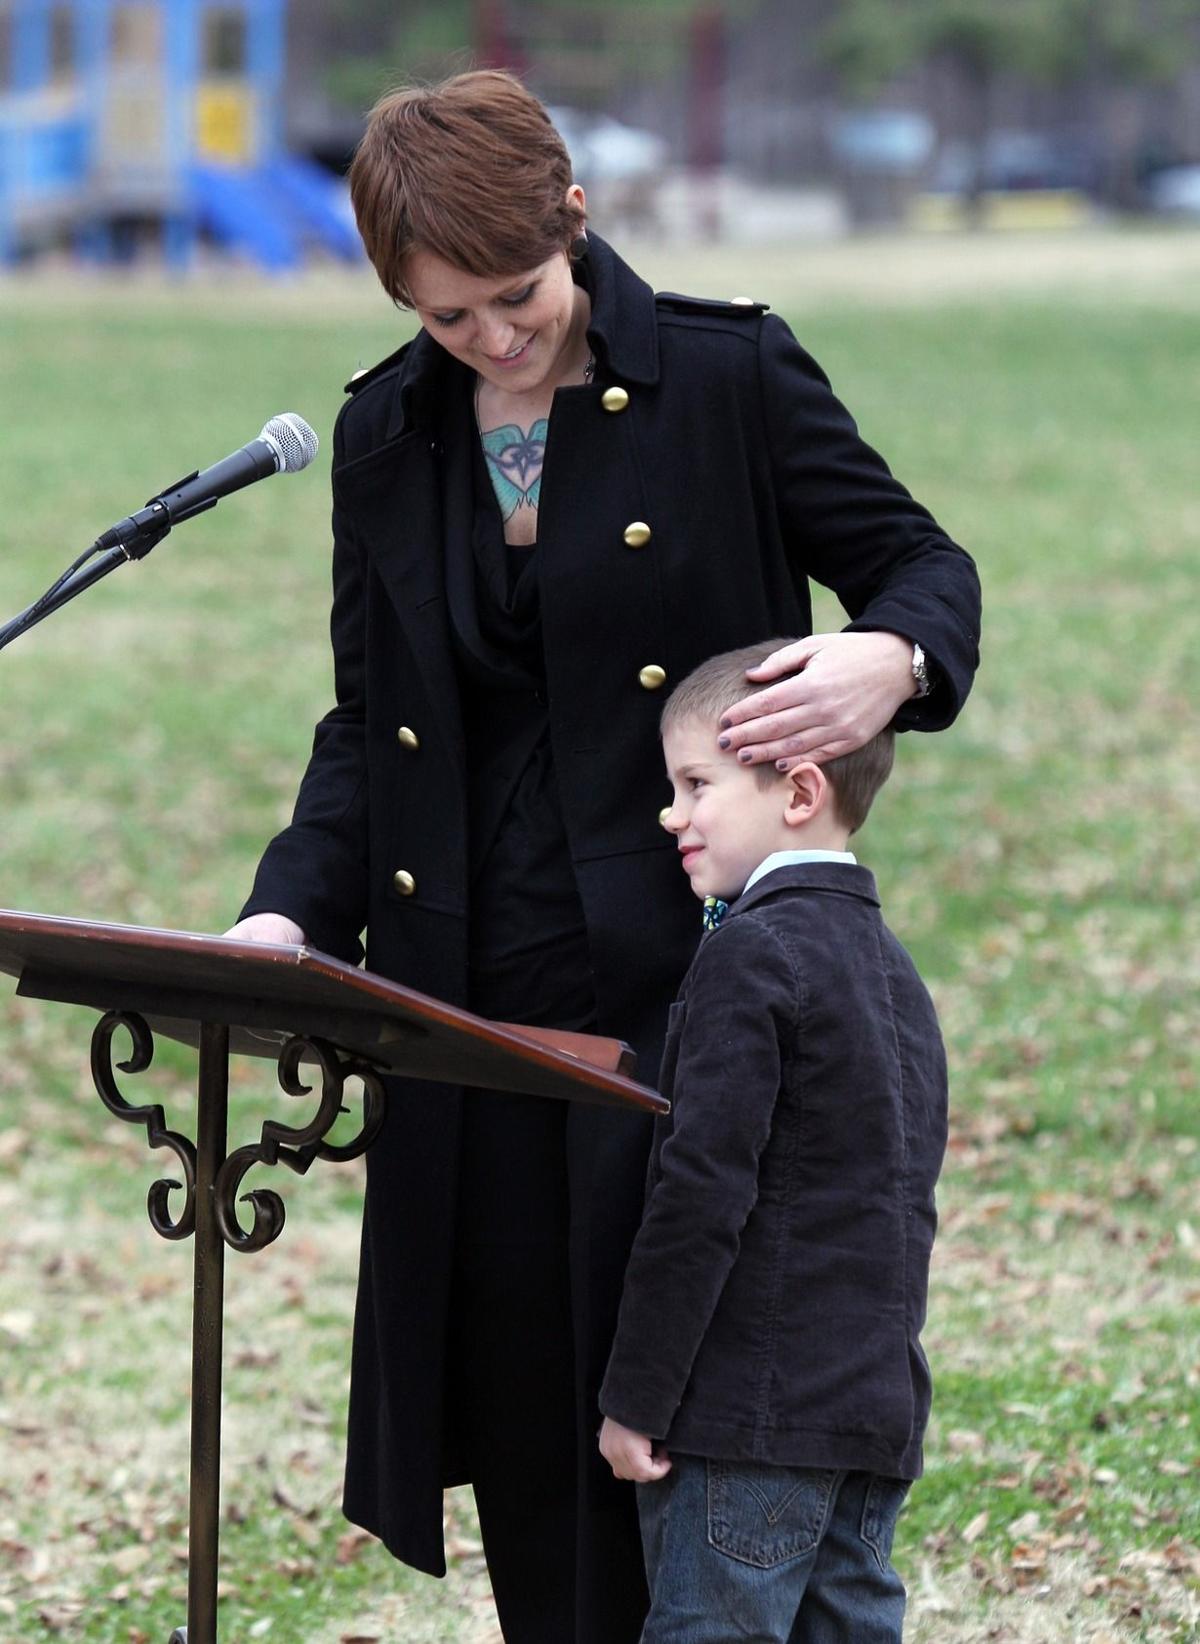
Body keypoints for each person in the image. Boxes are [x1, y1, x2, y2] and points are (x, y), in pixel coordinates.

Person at [225, 69, 980, 1644]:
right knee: (528, 1426)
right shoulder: (385, 435)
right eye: (447, 320)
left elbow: (917, 557)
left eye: (515, 297)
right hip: (466, 1006)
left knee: (689, 1400)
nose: (493, 341)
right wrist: (287, 911)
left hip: (695, 993)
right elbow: (371, 725)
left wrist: (891, 656)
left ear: (574, 218)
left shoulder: (727, 374)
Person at [599, 640, 948, 1644]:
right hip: (869, 1416)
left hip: (743, 1419)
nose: (672, 813)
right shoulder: (894, 970)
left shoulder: (748, 953)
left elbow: (700, 1195)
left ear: (797, 792)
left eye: (695, 783)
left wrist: (637, 1396)